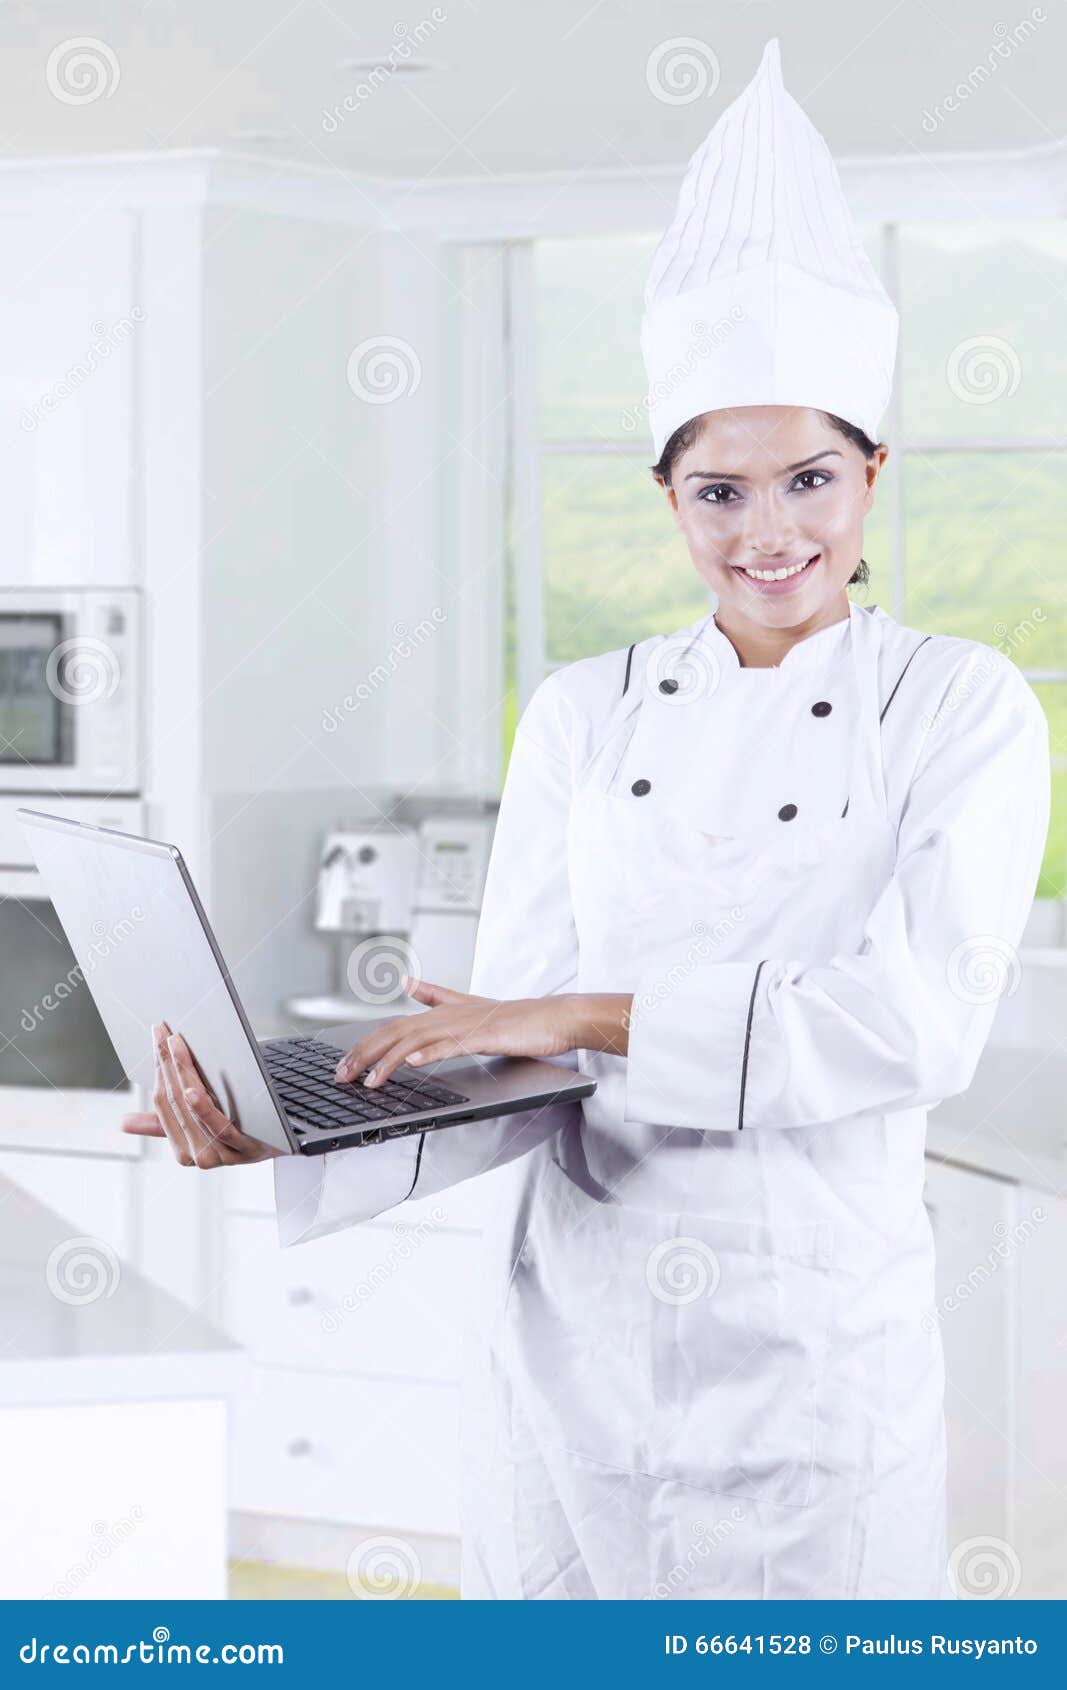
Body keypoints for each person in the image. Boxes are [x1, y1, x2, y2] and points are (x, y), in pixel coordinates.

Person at [124, 39, 1050, 1599]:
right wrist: (282, 1124)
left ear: (876, 474)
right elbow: (512, 1055)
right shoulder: (581, 710)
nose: (770, 532)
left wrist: (577, 1007)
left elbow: (908, 1024)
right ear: (668, 497)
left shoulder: (958, 705)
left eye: (811, 479)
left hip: (811, 1355)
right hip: (569, 1338)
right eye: (720, 491)